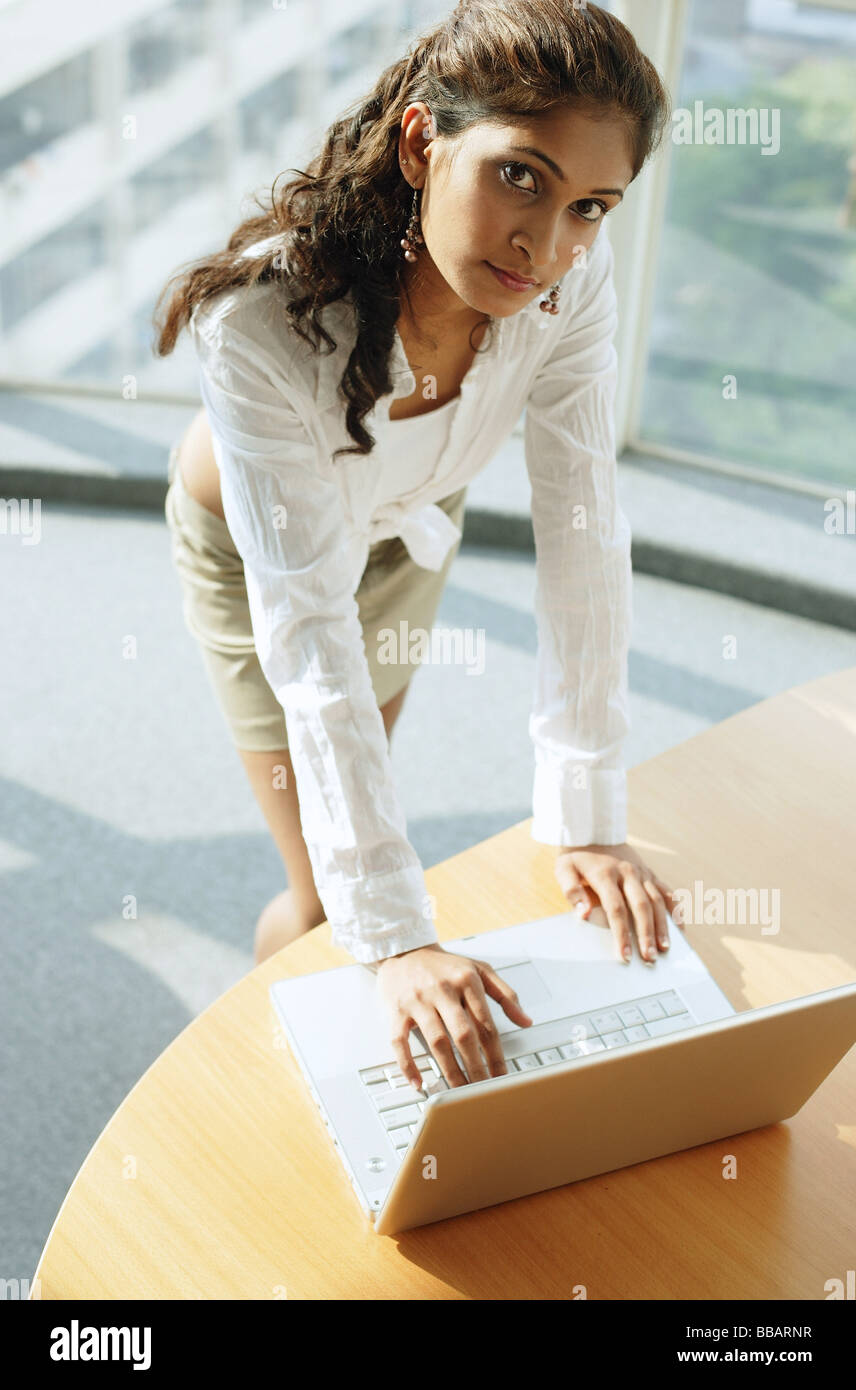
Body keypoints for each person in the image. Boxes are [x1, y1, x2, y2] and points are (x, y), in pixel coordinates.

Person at [153, 0, 675, 1093]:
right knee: (321, 895)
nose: (546, 243)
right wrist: (395, 933)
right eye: (519, 175)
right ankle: (270, 1100)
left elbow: (582, 527)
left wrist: (585, 814)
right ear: (419, 139)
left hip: (407, 535)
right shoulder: (259, 318)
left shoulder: (567, 280)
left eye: (590, 204)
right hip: (262, 561)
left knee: (364, 799)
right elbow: (307, 626)